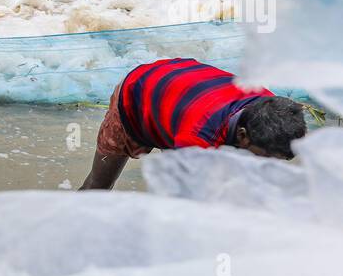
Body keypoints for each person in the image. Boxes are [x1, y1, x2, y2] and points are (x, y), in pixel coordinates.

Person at [80, 57, 307, 191]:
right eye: (264, 158)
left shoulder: (271, 109)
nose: (269, 166)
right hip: (138, 93)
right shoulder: (197, 139)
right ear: (243, 135)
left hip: (186, 87)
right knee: (98, 187)